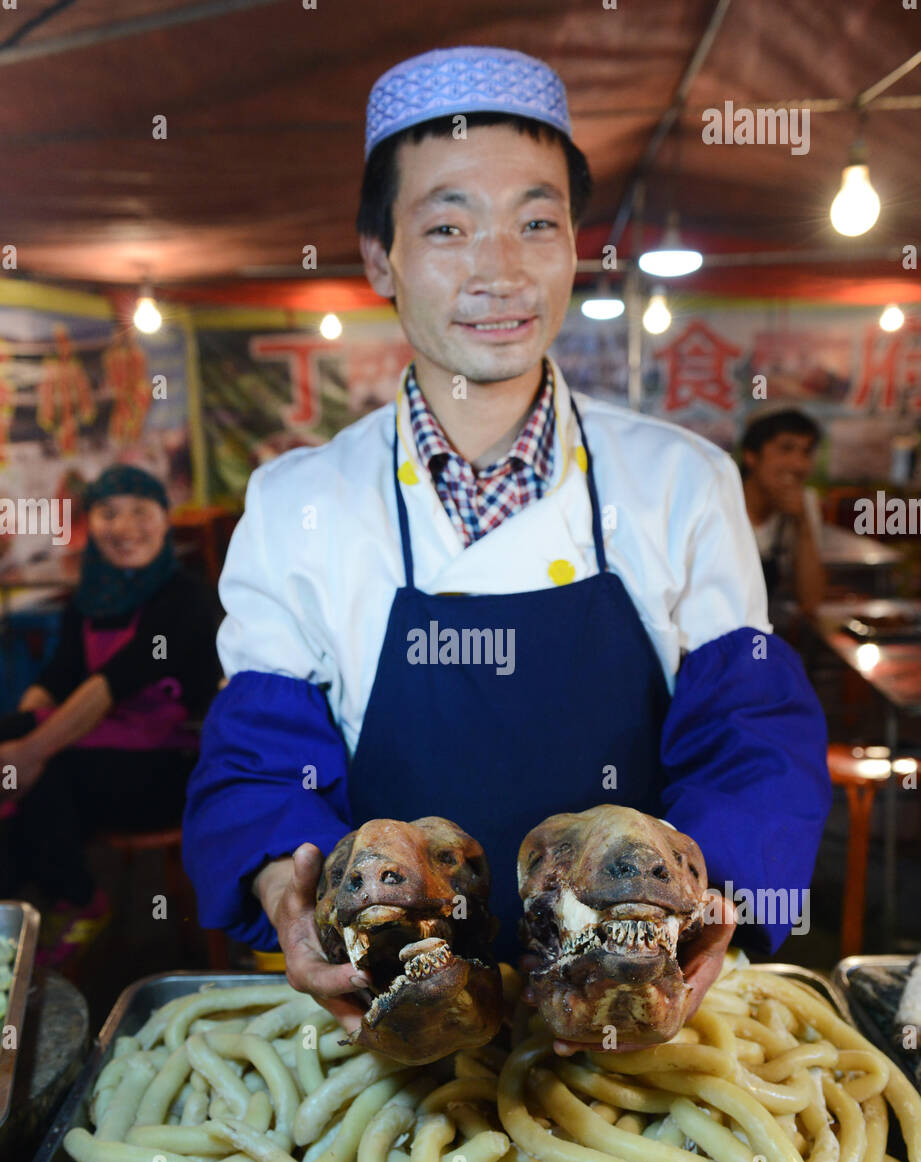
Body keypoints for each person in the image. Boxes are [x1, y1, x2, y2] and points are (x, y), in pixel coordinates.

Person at [183, 46, 832, 1053]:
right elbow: (261, 764)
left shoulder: (681, 481)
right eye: (448, 226)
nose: (500, 268)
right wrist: (286, 885)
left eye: (537, 222)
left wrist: (718, 897)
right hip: (395, 1020)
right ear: (378, 258)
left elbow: (747, 733)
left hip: (630, 1012)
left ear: (574, 246)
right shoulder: (297, 503)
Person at [0, 465, 221, 965]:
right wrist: (19, 732)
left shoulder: (183, 597)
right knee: (18, 745)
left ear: (164, 519)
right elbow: (59, 676)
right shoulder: (89, 599)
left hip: (172, 768)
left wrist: (28, 751)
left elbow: (109, 684)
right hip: (102, 750)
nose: (124, 527)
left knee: (45, 768)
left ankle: (79, 900)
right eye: (108, 512)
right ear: (91, 522)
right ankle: (29, 902)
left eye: (140, 511)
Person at [740, 408, 826, 615]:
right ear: (750, 456)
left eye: (806, 452)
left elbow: (810, 602)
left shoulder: (805, 501)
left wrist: (802, 523)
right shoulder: (720, 501)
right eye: (786, 449)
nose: (798, 465)